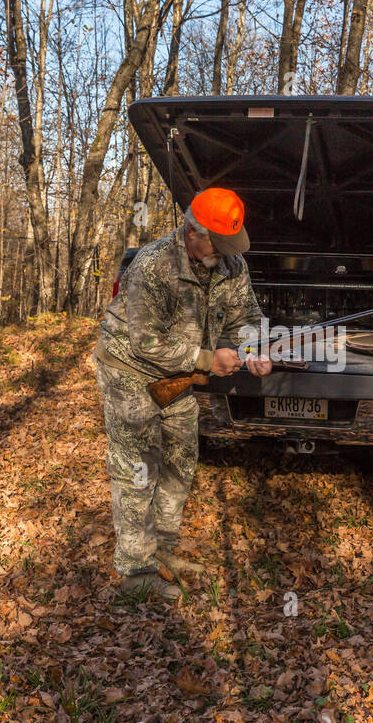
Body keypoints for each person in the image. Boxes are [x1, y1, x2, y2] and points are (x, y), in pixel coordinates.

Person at [94, 187, 272, 599]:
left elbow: (247, 317)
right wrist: (209, 360)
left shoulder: (231, 264)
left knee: (180, 457)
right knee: (137, 469)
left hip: (181, 377)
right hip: (130, 371)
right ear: (194, 232)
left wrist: (255, 350)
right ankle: (137, 573)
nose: (226, 254)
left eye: (231, 245)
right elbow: (146, 344)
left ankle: (163, 549)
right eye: (219, 244)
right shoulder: (152, 265)